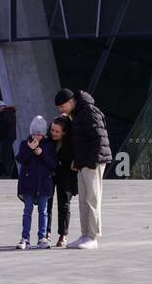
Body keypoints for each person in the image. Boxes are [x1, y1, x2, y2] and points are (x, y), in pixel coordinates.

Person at [55, 89, 111, 249]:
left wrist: (92, 162)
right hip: (83, 162)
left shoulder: (89, 111)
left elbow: (99, 137)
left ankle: (92, 237)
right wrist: (77, 161)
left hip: (92, 162)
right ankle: (84, 235)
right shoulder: (78, 113)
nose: (61, 109)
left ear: (71, 101)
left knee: (92, 199)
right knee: (83, 200)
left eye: (62, 106)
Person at [15, 115, 57, 250]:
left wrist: (41, 153)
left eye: (39, 134)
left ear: (43, 134)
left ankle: (42, 237)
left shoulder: (49, 146)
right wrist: (29, 149)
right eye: (34, 134)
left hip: (44, 183)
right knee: (27, 211)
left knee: (43, 211)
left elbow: (53, 164)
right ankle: (25, 237)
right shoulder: (24, 144)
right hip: (28, 184)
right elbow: (20, 159)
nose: (36, 137)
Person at [45, 115, 76, 248]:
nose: (53, 133)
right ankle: (46, 233)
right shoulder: (47, 141)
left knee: (64, 204)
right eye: (52, 130)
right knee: (47, 203)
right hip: (50, 174)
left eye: (57, 131)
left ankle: (63, 235)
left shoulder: (71, 144)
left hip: (66, 174)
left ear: (64, 132)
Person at [0, 100, 17, 179]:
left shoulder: (5, 113)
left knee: (6, 155)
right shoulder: (10, 112)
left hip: (7, 137)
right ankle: (7, 173)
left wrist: (2, 132)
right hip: (9, 137)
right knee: (7, 154)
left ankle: (6, 173)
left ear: (1, 107)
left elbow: (6, 124)